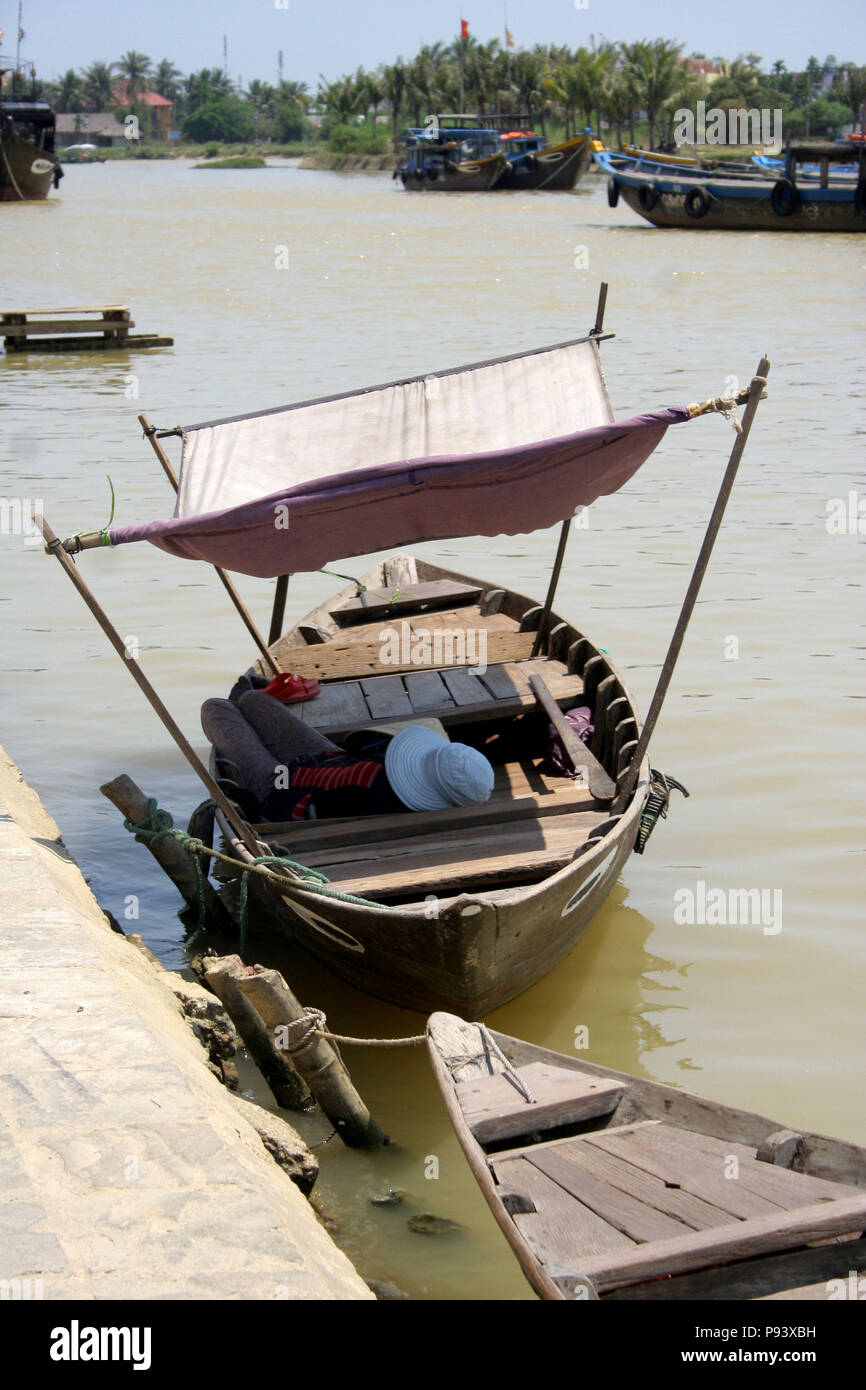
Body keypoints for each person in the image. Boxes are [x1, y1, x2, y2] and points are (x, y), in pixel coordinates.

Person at [202, 689, 494, 822]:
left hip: (280, 784)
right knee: (255, 699)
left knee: (217, 707)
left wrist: (276, 773)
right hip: (330, 761)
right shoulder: (398, 783)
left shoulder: (359, 799)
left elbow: (284, 804)